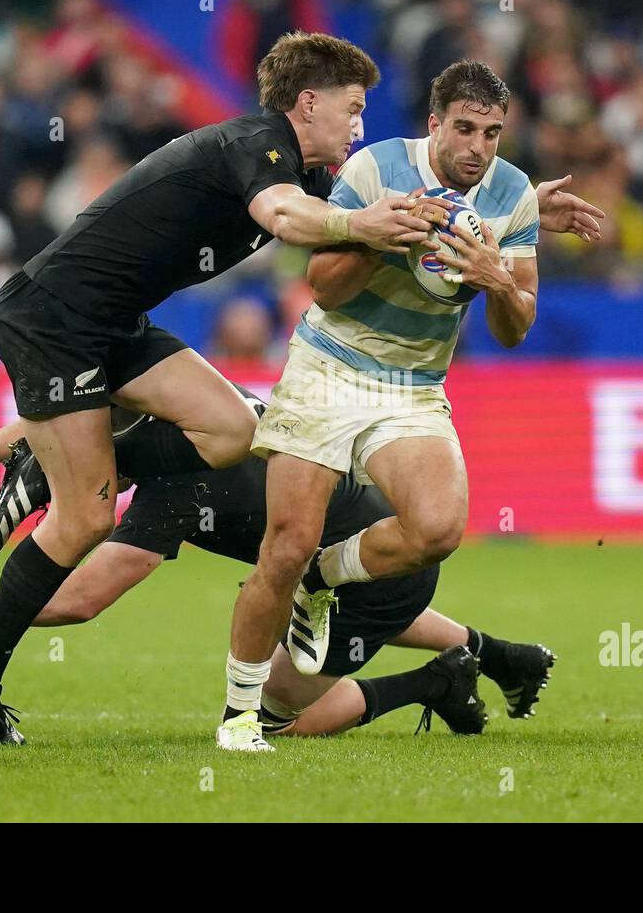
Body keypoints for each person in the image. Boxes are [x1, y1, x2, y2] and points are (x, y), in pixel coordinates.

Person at [0, 31, 449, 746]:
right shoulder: (258, 144)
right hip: (53, 316)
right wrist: (363, 224)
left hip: (114, 324)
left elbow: (363, 214)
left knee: (234, 431)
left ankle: (44, 471)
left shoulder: (309, 177)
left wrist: (509, 211)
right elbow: (284, 219)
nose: (360, 127)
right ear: (307, 103)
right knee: (87, 521)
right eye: (352, 109)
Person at [224, 60, 601, 751]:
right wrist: (386, 235)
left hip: (414, 385)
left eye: (491, 133)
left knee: (437, 530)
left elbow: (516, 330)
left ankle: (325, 576)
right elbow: (325, 288)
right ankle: (240, 718)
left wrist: (495, 281)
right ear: (434, 125)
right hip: (329, 369)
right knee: (282, 545)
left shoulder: (513, 196)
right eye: (464, 129)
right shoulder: (374, 170)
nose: (477, 148)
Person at [0, 387, 556, 743]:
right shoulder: (203, 415)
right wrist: (1, 444)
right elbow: (90, 402)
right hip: (367, 549)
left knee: (283, 714)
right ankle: (500, 657)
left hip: (377, 579)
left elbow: (78, 600)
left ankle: (438, 683)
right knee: (316, 588)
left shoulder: (171, 495)